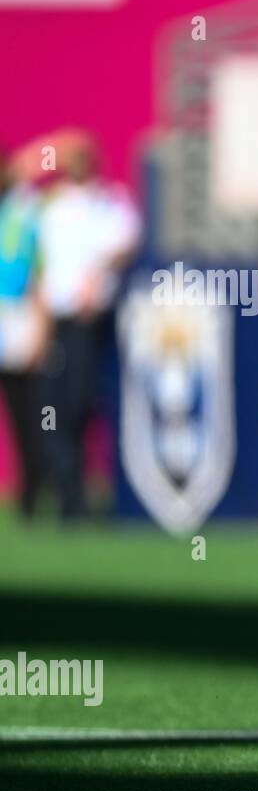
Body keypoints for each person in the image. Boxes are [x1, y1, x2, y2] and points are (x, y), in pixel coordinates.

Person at [35, 132, 139, 520]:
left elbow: (125, 243)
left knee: (84, 404)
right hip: (58, 323)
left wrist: (98, 276)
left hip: (94, 323)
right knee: (54, 409)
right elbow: (42, 267)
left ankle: (95, 496)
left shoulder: (110, 203)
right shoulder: (52, 208)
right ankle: (68, 497)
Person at [0, 145, 48, 519]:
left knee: (32, 409)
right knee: (20, 410)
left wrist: (39, 326)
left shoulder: (25, 209)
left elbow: (38, 272)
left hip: (19, 316)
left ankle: (36, 488)